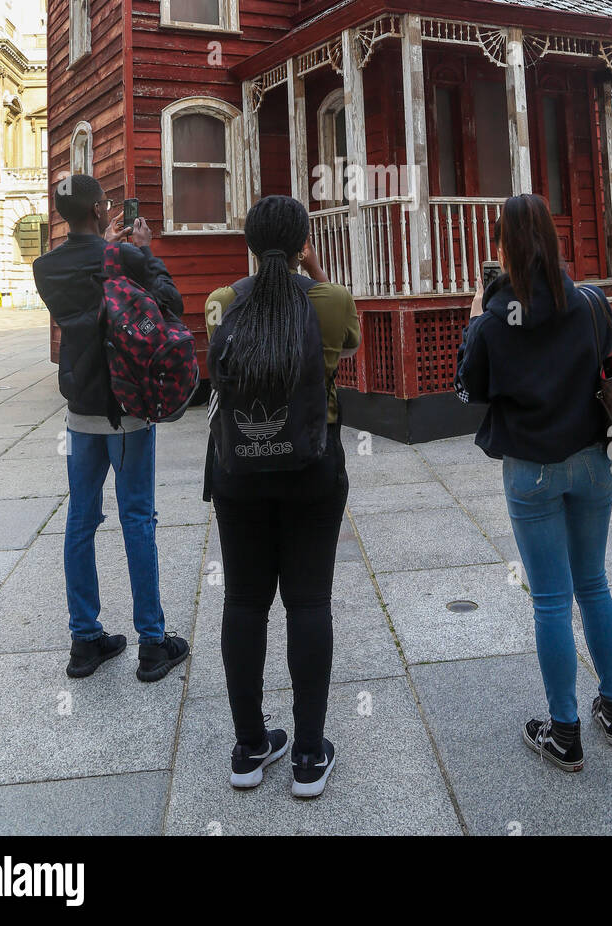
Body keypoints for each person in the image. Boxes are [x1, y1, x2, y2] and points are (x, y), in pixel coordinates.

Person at [455, 192, 612, 772]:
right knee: (594, 584)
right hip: (592, 460)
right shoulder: (590, 303)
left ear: (503, 249)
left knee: (552, 600)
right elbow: (609, 364)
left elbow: (467, 390)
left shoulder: (493, 320)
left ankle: (565, 731)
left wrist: (473, 321)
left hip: (531, 468)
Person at [204, 194, 360, 798]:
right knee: (308, 602)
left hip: (239, 471)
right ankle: (309, 756)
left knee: (244, 601)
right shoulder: (331, 302)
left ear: (249, 244)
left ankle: (249, 748)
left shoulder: (222, 302)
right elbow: (351, 344)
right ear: (302, 245)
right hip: (311, 468)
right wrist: (314, 269)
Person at [33, 173, 190, 683]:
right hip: (130, 408)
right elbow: (171, 303)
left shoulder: (44, 267)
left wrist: (110, 248)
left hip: (81, 410)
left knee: (81, 521)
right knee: (137, 519)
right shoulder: (124, 257)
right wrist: (144, 251)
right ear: (100, 209)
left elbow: (86, 302)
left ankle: (85, 640)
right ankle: (152, 643)